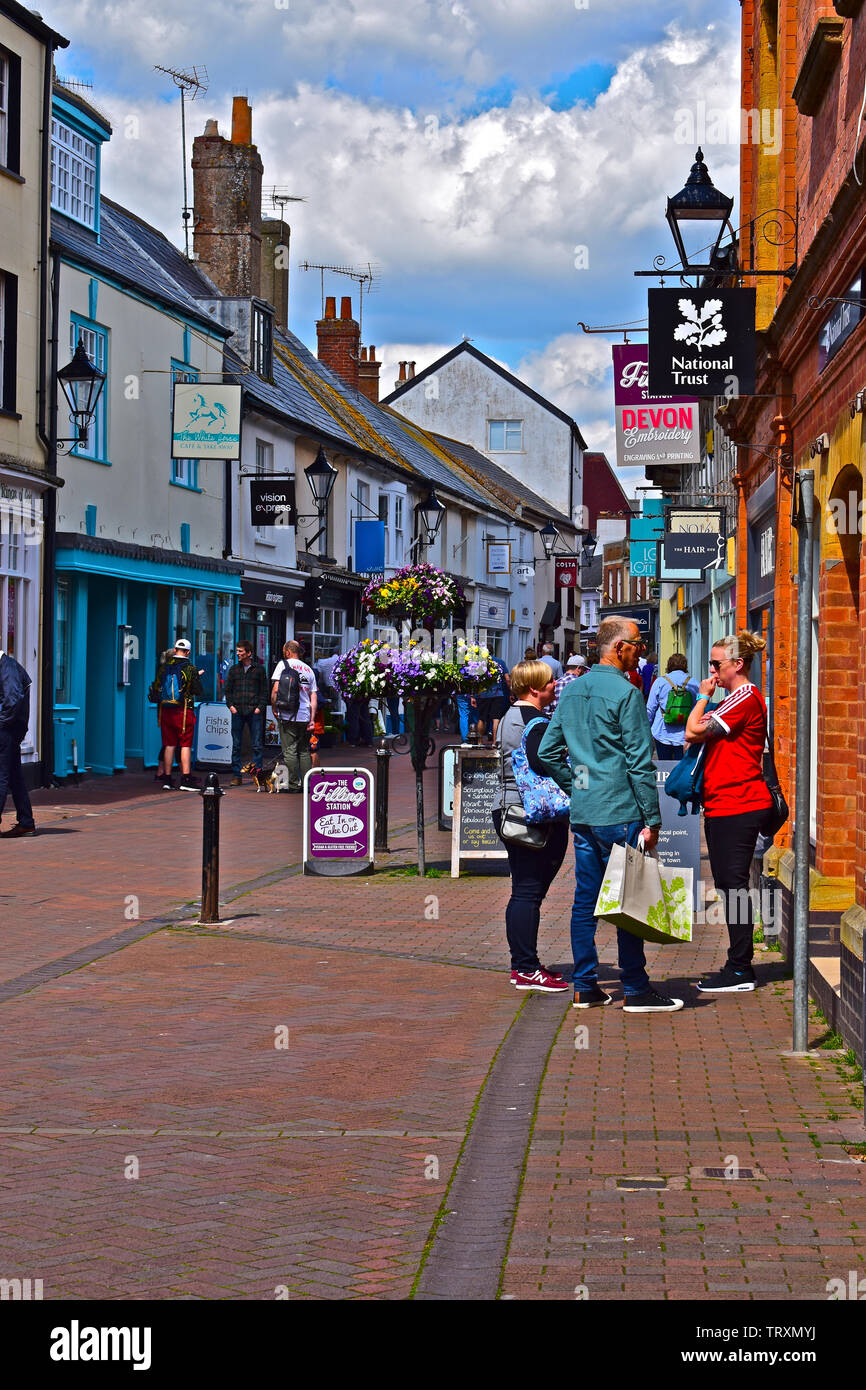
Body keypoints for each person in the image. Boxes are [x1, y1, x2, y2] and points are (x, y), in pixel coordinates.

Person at [537, 615, 684, 1013]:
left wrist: (578, 787)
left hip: (586, 814)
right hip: (621, 812)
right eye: (638, 643)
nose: (643, 650)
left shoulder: (571, 691)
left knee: (585, 901)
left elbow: (548, 753)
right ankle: (635, 988)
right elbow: (639, 763)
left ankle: (585, 986)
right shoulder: (626, 694)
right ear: (619, 648)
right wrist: (653, 820)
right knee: (628, 899)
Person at [685, 630, 773, 994]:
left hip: (739, 804)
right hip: (724, 802)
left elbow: (692, 731)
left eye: (716, 664)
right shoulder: (734, 698)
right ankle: (737, 963)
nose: (711, 671)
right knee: (728, 884)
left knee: (734, 886)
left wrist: (702, 697)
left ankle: (740, 968)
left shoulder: (744, 698)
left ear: (737, 664)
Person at [491, 660, 569, 993]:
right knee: (528, 891)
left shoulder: (510, 716)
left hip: (510, 807)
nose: (555, 686)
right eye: (550, 682)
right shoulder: (534, 722)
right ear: (534, 688)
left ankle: (524, 964)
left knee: (524, 890)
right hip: (529, 813)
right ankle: (525, 967)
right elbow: (543, 764)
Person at [153, 639, 203, 791]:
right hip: (183, 710)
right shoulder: (190, 668)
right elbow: (197, 690)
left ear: (175, 650)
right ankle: (185, 779)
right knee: (185, 745)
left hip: (166, 710)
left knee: (169, 744)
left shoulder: (164, 667)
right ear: (188, 652)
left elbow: (156, 687)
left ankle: (167, 779)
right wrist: (197, 676)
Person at [271, 639, 317, 791]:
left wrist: (273, 708)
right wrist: (312, 719)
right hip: (304, 714)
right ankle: (306, 783)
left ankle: (293, 784)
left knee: (289, 750)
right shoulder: (309, 669)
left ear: (288, 652)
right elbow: (313, 697)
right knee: (304, 751)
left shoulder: (283, 665)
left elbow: (276, 690)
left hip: (287, 713)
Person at [0, 647, 36, 837]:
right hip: (9, 729)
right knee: (14, 775)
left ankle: (26, 822)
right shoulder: (5, 667)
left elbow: (11, 702)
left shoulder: (7, 668)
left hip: (6, 731)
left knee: (1, 775)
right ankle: (26, 822)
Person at [225, 640, 267, 786]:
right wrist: (230, 706)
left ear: (249, 653)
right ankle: (237, 776)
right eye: (237, 651)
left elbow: (264, 691)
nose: (238, 654)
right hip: (237, 710)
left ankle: (258, 776)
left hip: (253, 710)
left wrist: (259, 708)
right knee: (236, 744)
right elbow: (228, 690)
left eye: (241, 651)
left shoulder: (259, 669)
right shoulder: (233, 670)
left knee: (256, 744)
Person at [646, 653, 699, 761]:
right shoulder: (694, 683)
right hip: (685, 734)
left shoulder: (660, 682)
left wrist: (647, 729)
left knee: (664, 766)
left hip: (662, 732)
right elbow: (699, 708)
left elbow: (650, 708)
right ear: (685, 665)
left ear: (669, 665)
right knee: (681, 767)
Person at [476, 655, 510, 745]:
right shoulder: (500, 662)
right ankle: (495, 742)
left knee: (481, 718)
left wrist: (473, 695)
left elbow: (475, 679)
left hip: (483, 694)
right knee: (496, 719)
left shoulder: (479, 663)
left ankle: (479, 742)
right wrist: (511, 692)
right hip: (497, 694)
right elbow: (507, 678)